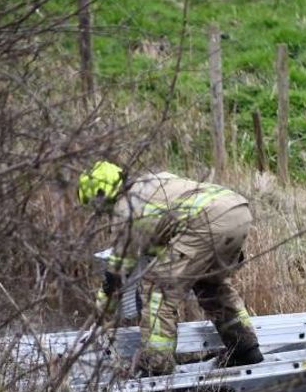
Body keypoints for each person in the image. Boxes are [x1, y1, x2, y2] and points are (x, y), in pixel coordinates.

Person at [77, 160, 263, 375]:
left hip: (206, 222)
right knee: (210, 285)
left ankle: (156, 366)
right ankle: (245, 348)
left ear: (101, 195)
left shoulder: (124, 208)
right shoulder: (152, 180)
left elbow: (117, 273)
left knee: (159, 289)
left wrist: (103, 312)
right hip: (237, 211)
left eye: (93, 205)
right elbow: (170, 225)